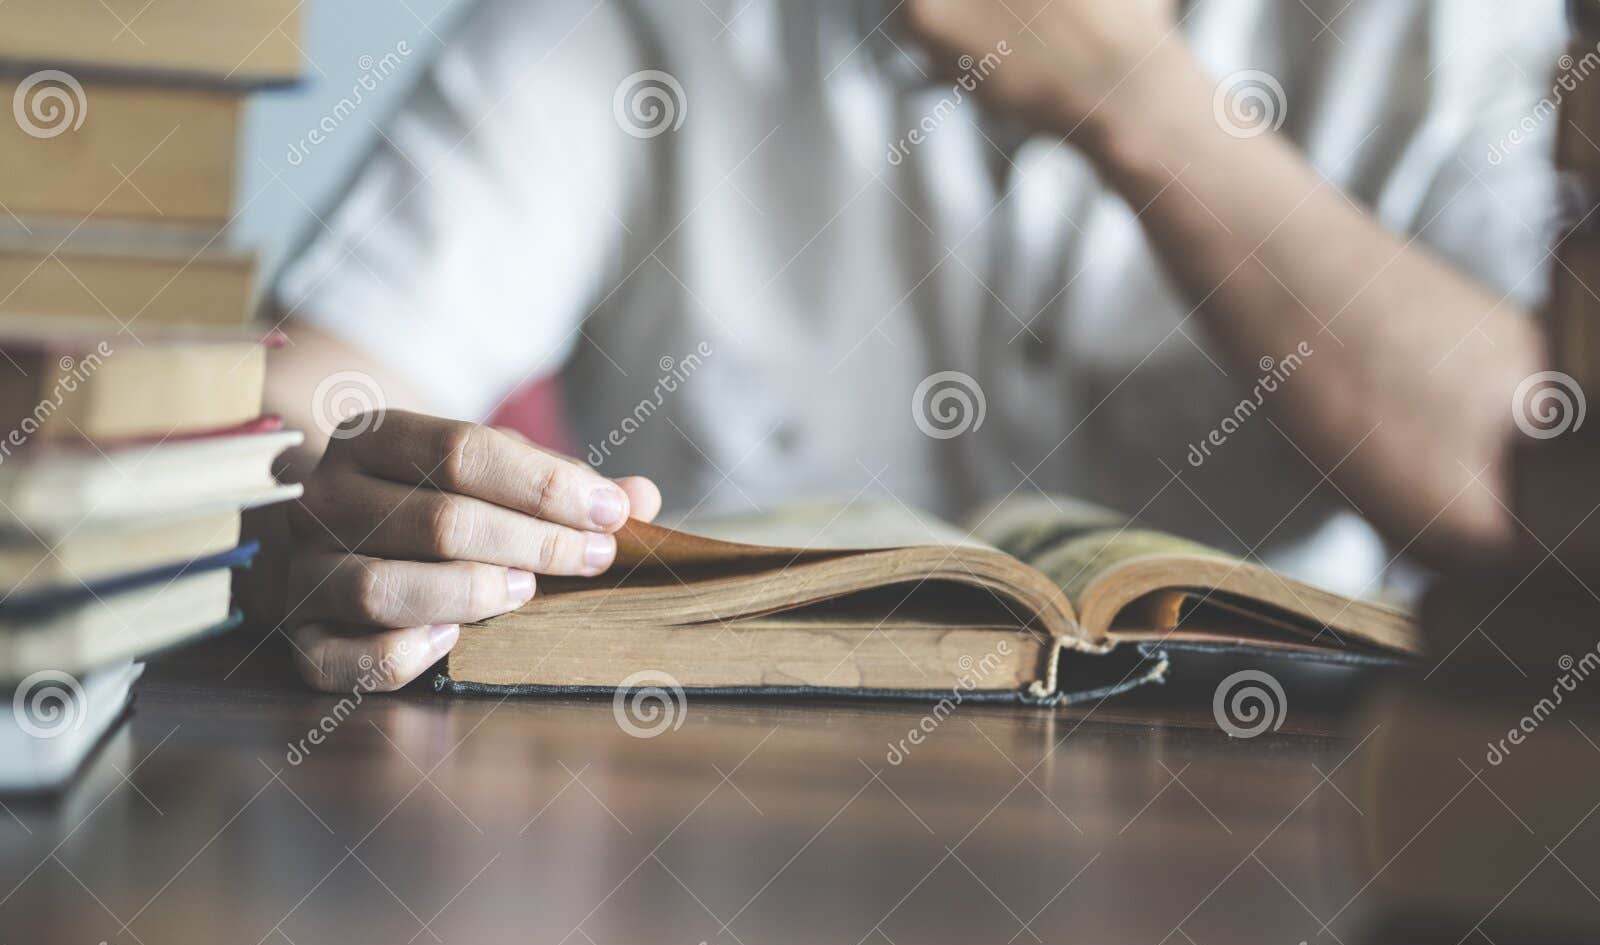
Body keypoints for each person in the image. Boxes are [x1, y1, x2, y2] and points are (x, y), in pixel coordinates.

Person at [259, 0, 1566, 691]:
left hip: (1291, 864)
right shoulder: (636, 20)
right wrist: (334, 499)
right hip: (716, 861)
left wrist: (1133, 96)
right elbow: (308, 404)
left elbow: (1531, 487)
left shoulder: (1447, 26)